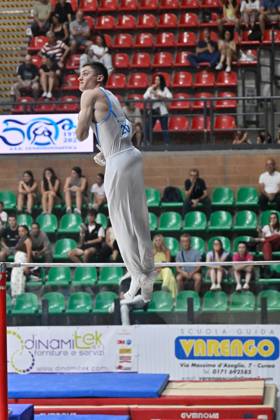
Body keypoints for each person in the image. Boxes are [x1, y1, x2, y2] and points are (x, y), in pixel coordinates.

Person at [76, 61, 156, 304]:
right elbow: (118, 129)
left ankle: (137, 275)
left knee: (121, 224)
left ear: (99, 78)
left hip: (119, 162)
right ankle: (147, 275)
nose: (80, 78)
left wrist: (82, 114)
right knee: (139, 220)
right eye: (79, 74)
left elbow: (80, 135)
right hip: (132, 155)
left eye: (86, 73)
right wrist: (105, 151)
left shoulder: (89, 94)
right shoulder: (112, 96)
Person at [143, 74, 172, 145]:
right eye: (155, 79)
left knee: (164, 128)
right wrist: (151, 91)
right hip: (153, 110)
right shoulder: (151, 88)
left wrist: (159, 95)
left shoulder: (164, 89)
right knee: (148, 127)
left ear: (161, 81)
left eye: (158, 79)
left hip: (162, 111)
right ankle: (147, 143)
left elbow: (170, 96)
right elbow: (144, 96)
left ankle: (166, 144)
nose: (156, 81)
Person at [10, 225, 32, 301]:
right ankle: (14, 298)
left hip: (22, 261)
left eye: (22, 231)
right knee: (13, 280)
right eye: (19, 231)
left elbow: (29, 254)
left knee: (20, 281)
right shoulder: (20, 240)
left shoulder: (27, 240)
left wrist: (27, 266)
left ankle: (20, 299)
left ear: (26, 231)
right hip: (16, 262)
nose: (20, 233)